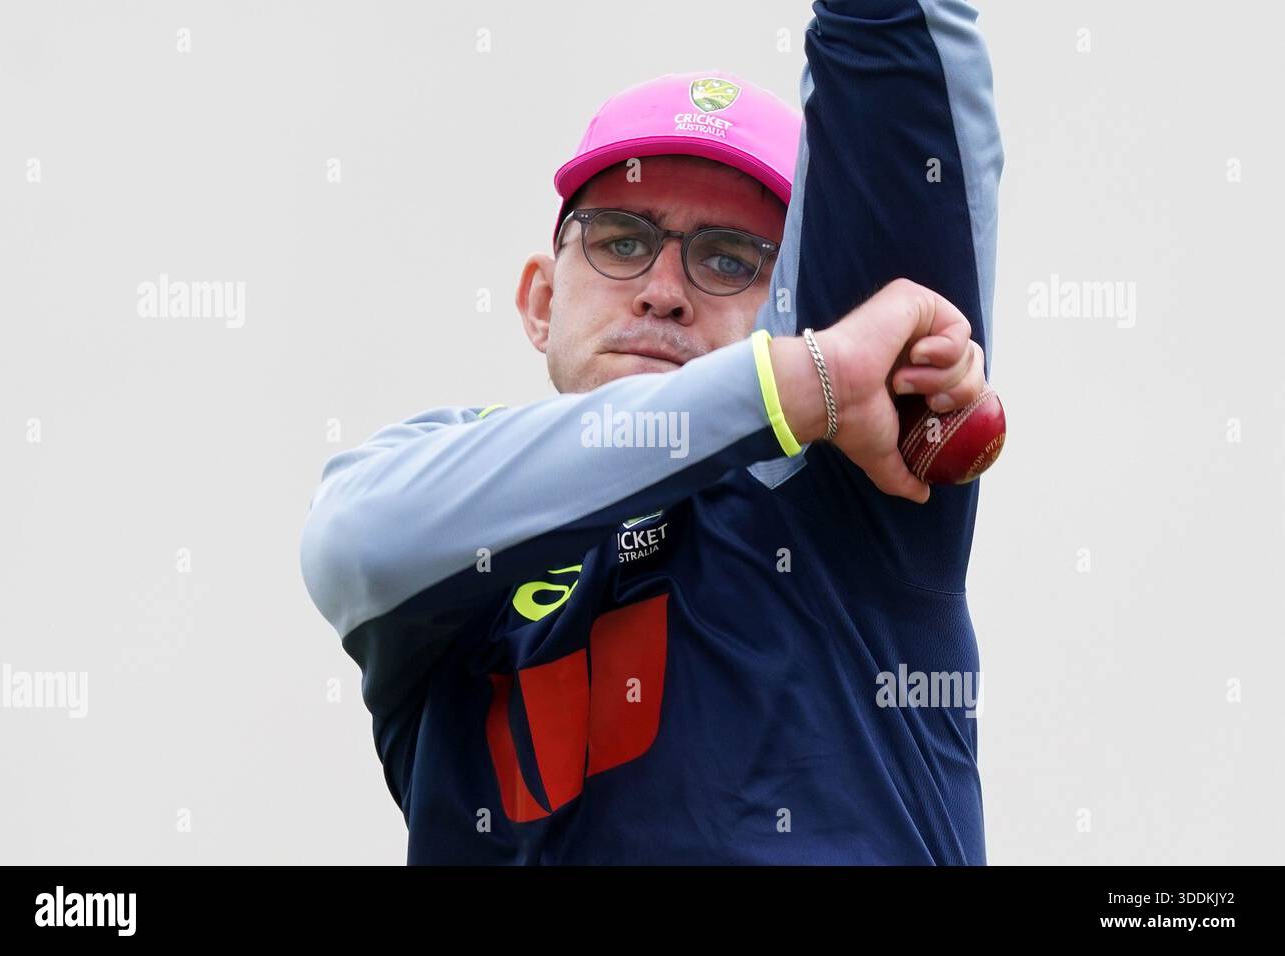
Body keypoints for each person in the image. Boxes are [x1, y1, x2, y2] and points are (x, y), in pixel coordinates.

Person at [300, 0, 1003, 864]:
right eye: (622, 240)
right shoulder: (443, 498)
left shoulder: (838, 475)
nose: (664, 289)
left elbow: (894, 42)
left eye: (729, 258)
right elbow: (356, 542)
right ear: (540, 301)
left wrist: (817, 386)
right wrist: (792, 381)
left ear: (796, 307)